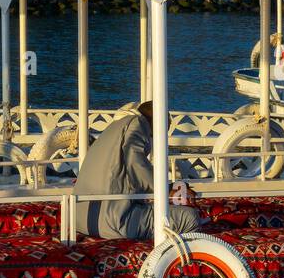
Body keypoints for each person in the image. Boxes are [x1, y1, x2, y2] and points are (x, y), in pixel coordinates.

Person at [74, 101, 201, 240]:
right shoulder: (138, 124)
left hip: (82, 220)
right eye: (161, 131)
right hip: (113, 222)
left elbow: (127, 174)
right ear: (157, 122)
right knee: (189, 217)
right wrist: (166, 190)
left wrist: (168, 187)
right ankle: (171, 258)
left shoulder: (116, 126)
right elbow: (135, 162)